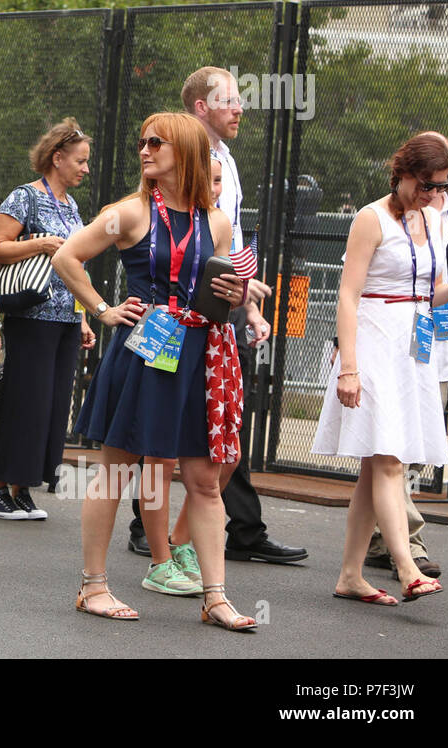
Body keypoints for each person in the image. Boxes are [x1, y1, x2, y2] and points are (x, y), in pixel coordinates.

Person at [53, 112, 257, 628]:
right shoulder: (130, 212)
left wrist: (232, 296)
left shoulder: (217, 221)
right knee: (117, 471)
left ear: (183, 151)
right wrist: (103, 309)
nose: (144, 150)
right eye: (141, 141)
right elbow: (68, 257)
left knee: (205, 482)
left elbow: (219, 287)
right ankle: (93, 587)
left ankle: (216, 598)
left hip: (199, 354)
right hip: (143, 351)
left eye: (155, 142)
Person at [128, 67, 308, 567]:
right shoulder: (168, 159)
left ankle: (230, 529)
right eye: (229, 100)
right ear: (201, 107)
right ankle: (157, 535)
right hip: (170, 319)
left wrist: (248, 306)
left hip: (218, 314)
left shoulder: (226, 161)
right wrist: (101, 309)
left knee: (223, 428)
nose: (240, 109)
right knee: (163, 431)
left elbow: (231, 248)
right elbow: (160, 237)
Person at [314, 133, 448, 604]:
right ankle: (407, 566)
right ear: (404, 174)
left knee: (374, 467)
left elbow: (432, 289)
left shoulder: (433, 219)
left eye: (443, 186)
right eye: (427, 184)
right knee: (390, 459)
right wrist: (348, 368)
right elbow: (348, 295)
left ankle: (350, 576)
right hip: (373, 341)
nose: (434, 195)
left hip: (411, 345)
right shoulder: (369, 218)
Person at [0, 119, 95, 521]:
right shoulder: (24, 198)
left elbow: (76, 266)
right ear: (57, 158)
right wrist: (40, 243)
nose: (86, 169)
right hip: (31, 315)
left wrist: (81, 316)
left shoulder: (71, 206)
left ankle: (22, 487)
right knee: (25, 402)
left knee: (51, 407)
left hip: (64, 319)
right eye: (81, 161)